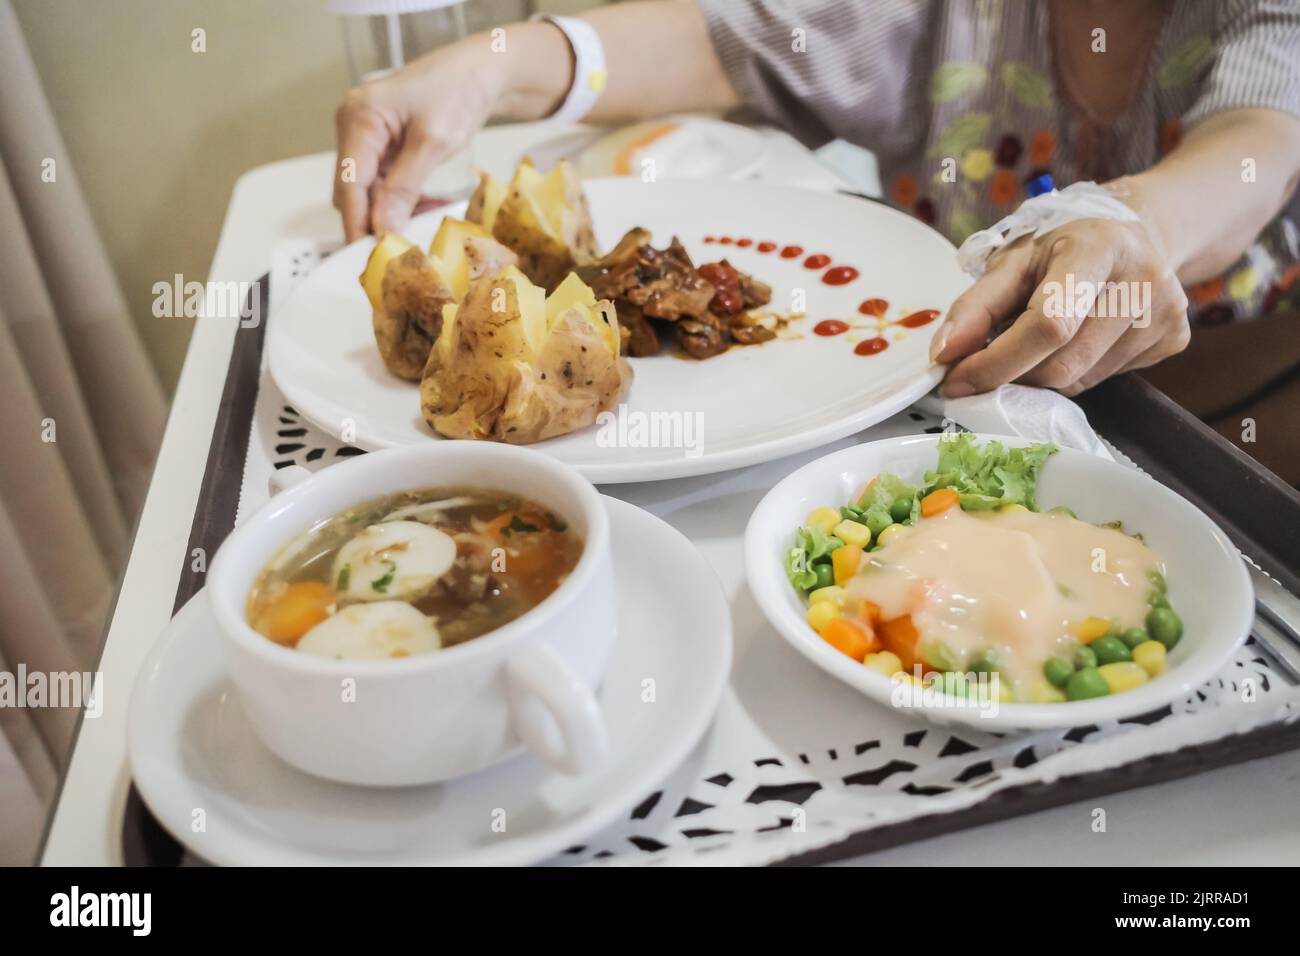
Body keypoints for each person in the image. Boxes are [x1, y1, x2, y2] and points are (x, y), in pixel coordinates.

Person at [333, 0, 1300, 478]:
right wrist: (489, 65)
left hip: (1224, 417)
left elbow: (1262, 135)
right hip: (951, 399)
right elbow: (735, 38)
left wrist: (1131, 221)